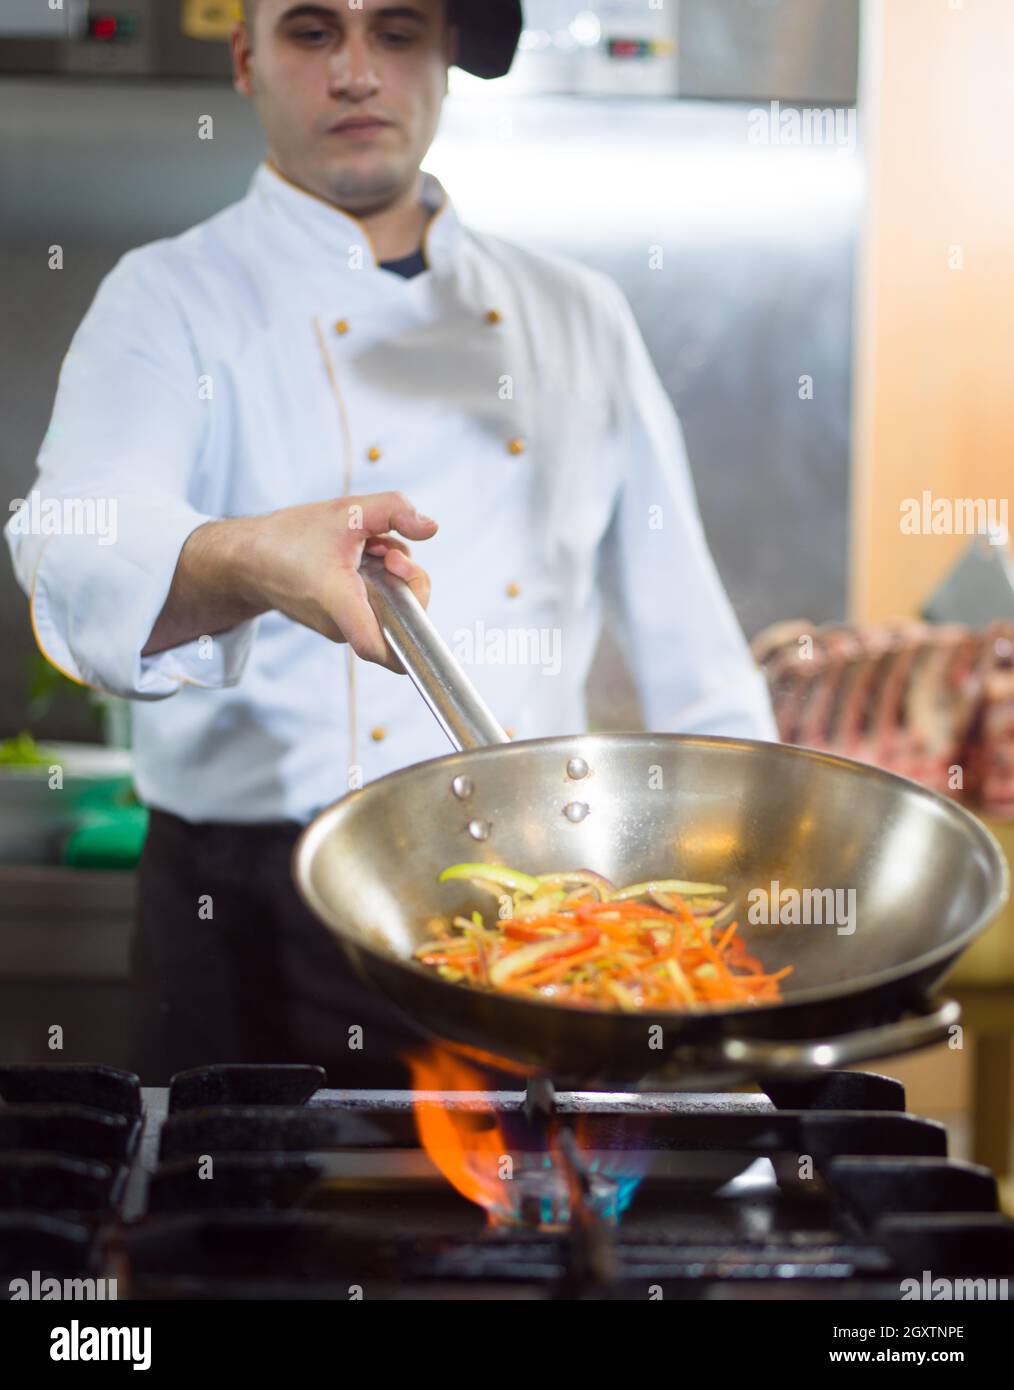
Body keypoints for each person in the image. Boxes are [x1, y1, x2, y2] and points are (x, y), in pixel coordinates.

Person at [4, 0, 777, 1088]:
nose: (358, 73)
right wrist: (249, 561)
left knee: (516, 1244)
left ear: (448, 56)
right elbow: (71, 546)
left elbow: (691, 652)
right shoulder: (167, 299)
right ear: (246, 58)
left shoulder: (575, 315)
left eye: (399, 30)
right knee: (227, 1241)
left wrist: (759, 890)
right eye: (314, 32)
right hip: (244, 912)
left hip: (529, 906)